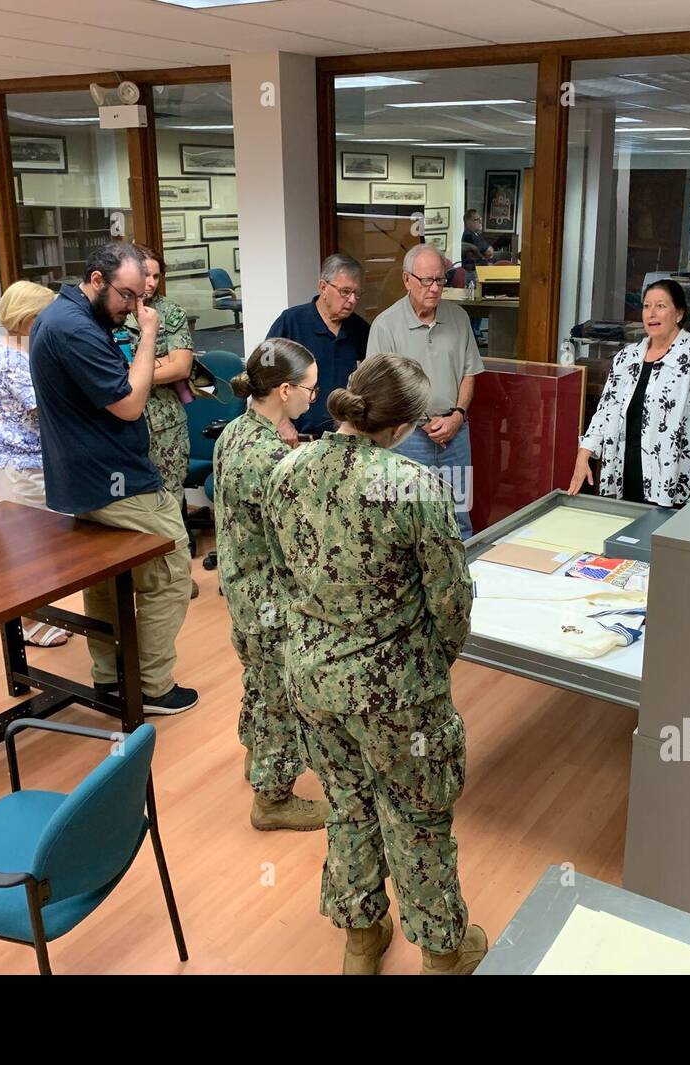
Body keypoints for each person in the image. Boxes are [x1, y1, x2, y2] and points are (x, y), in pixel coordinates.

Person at [264, 354, 485, 976]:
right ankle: (443, 952)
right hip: (398, 694)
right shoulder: (413, 485)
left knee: (349, 805)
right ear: (406, 424)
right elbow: (450, 601)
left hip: (312, 680)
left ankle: (362, 941)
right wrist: (430, 661)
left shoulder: (290, 468)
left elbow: (284, 574)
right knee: (417, 814)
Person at [29, 242, 196, 715]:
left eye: (141, 298)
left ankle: (109, 676)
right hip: (114, 480)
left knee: (108, 578)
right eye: (127, 296)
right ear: (97, 281)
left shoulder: (63, 315)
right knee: (169, 571)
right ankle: (152, 686)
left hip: (86, 478)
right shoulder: (76, 329)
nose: (133, 308)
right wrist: (148, 335)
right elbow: (129, 403)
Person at [213, 338, 330, 832]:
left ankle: (256, 759)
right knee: (281, 694)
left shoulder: (235, 434)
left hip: (241, 589)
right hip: (270, 599)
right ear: (284, 390)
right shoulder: (272, 461)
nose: (315, 397)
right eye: (311, 388)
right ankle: (273, 797)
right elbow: (305, 542)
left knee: (259, 680)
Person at [569, 279, 690, 506]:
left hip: (673, 475)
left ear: (679, 314)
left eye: (660, 306)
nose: (651, 313)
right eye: (646, 306)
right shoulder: (627, 357)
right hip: (627, 468)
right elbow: (605, 410)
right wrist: (584, 454)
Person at [365, 244, 482, 539]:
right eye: (426, 280)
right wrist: (416, 419)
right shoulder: (385, 326)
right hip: (407, 438)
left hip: (455, 434)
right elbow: (378, 391)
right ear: (407, 280)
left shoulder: (459, 319)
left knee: (459, 518)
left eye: (440, 280)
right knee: (407, 520)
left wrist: (457, 416)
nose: (434, 288)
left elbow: (469, 373)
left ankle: (462, 581)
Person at [0, 280, 67, 648]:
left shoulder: (22, 348)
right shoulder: (11, 357)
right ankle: (30, 625)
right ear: (30, 318)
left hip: (30, 463)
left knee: (40, 548)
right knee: (27, 552)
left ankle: (38, 616)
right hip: (19, 466)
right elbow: (43, 408)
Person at [118, 244, 199, 599]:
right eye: (144, 274)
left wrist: (133, 371)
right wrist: (156, 365)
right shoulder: (113, 314)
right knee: (129, 505)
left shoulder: (171, 313)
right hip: (123, 425)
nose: (150, 282)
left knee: (170, 502)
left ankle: (177, 578)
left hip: (166, 427)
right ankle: (138, 579)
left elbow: (182, 366)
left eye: (155, 275)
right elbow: (106, 371)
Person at [265, 253, 371, 446]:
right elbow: (264, 375)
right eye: (345, 292)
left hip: (344, 441)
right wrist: (281, 420)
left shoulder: (359, 329)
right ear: (323, 287)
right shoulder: (291, 322)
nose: (352, 300)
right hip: (297, 440)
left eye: (356, 293)